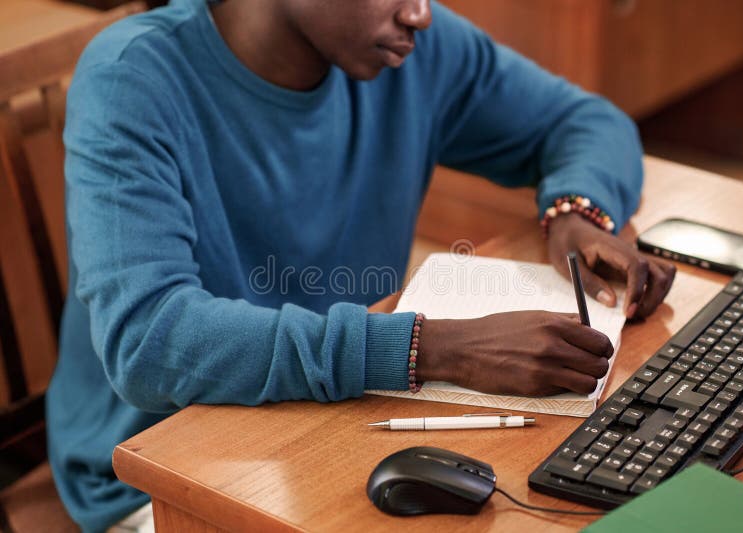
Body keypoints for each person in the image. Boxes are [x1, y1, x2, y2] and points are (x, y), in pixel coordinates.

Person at [47, 0, 676, 530]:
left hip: (342, 419)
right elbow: (151, 341)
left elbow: (586, 121)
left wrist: (575, 211)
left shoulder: (408, 52)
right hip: (157, 472)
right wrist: (431, 348)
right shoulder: (132, 79)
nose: (420, 14)